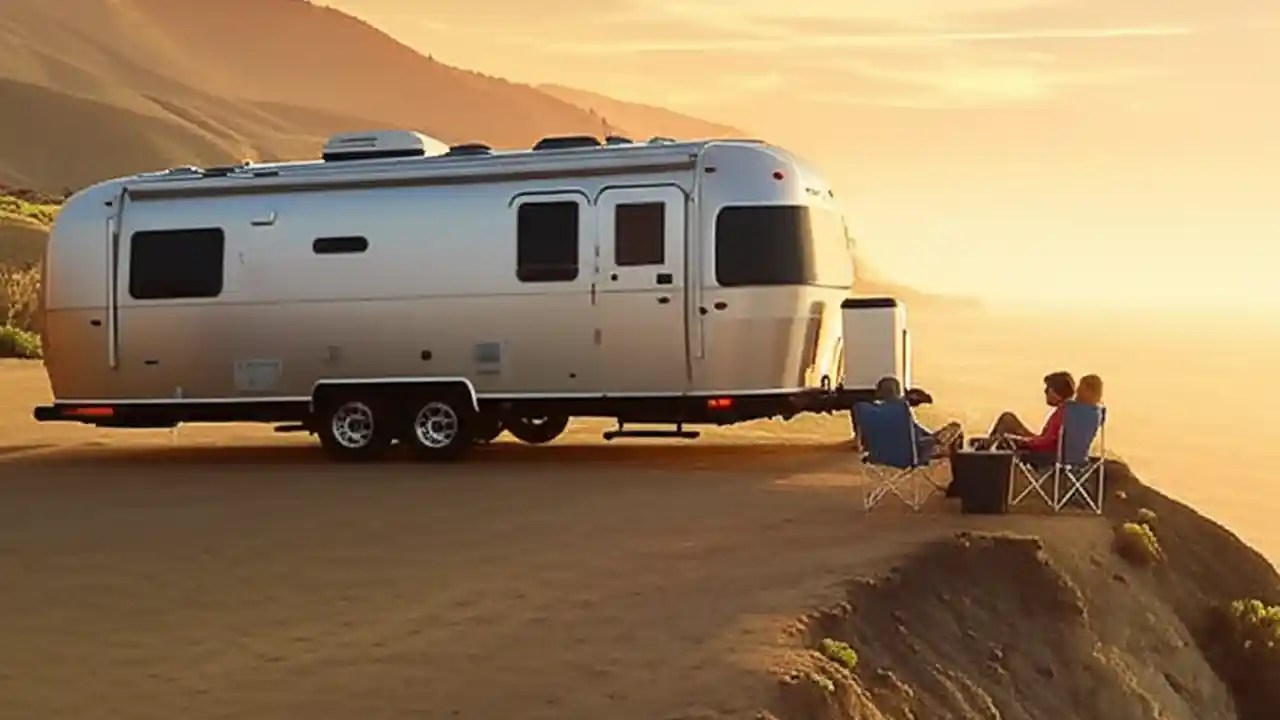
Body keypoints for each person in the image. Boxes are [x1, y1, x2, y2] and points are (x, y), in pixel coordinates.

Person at [977, 370, 1076, 454]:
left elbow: (1046, 443)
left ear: (1056, 392)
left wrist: (1021, 441)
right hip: (1046, 449)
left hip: (1042, 453)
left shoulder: (1062, 413)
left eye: (1048, 389)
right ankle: (984, 449)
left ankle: (982, 454)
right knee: (1007, 421)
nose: (1045, 392)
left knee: (1007, 420)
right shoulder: (1070, 411)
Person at [868, 376, 964, 459]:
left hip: (891, 451)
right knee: (955, 427)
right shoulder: (900, 410)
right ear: (897, 391)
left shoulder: (870, 412)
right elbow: (913, 435)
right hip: (917, 449)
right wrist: (932, 438)